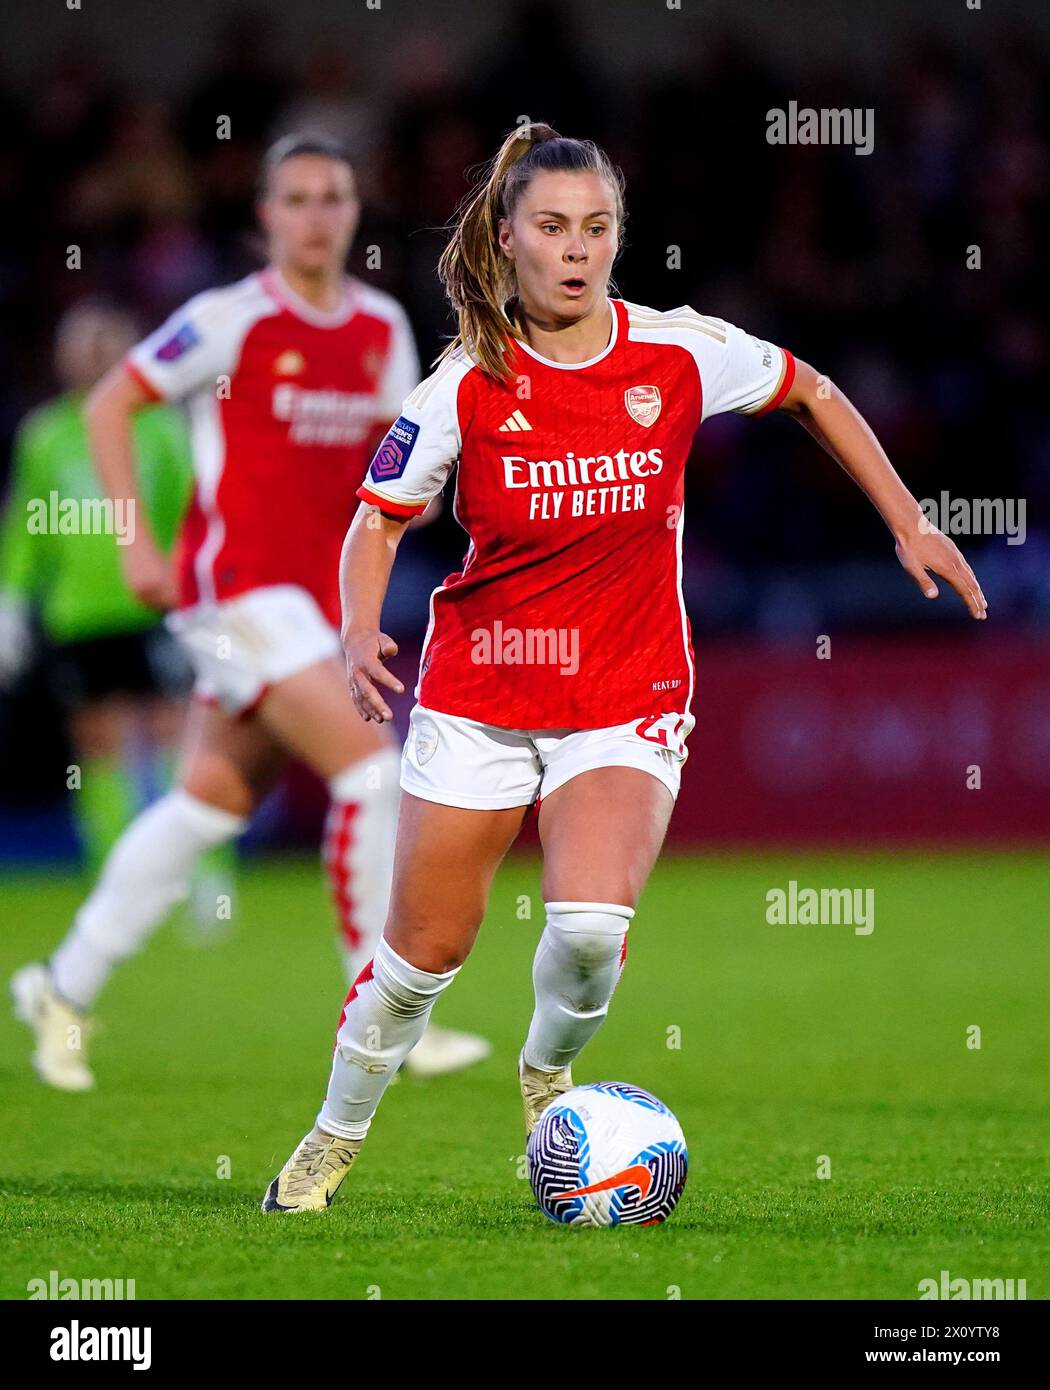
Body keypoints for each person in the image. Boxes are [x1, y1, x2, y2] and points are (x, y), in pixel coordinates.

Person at [263, 122, 987, 1212]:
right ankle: (331, 1136)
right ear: (506, 239)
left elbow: (811, 389)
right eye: (552, 227)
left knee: (591, 933)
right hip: (480, 695)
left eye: (596, 228)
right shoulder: (463, 383)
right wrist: (360, 626)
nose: (576, 249)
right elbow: (378, 520)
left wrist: (908, 521)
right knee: (421, 960)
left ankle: (548, 1073)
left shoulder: (678, 349)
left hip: (627, 691)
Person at [11, 135, 489, 1091]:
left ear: (354, 212)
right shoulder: (228, 321)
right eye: (296, 198)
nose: (316, 214)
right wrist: (135, 544)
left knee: (203, 806)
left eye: (333, 196)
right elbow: (111, 403)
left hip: (313, 614)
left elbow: (397, 464)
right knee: (369, 773)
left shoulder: (382, 328)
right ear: (266, 216)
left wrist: (427, 496)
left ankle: (61, 986)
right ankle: (384, 1015)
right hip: (234, 600)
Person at [0, 302, 194, 874]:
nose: (92, 355)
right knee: (97, 746)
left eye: (105, 342)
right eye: (81, 344)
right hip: (77, 613)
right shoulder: (44, 436)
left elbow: (190, 512)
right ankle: (117, 872)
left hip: (153, 604)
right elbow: (29, 527)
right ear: (62, 356)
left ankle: (192, 875)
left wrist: (193, 593)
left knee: (174, 736)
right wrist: (11, 600)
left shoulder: (160, 426)